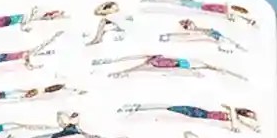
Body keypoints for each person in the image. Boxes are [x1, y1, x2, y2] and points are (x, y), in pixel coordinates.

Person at [118, 104, 260, 133]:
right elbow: (228, 107)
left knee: (169, 109)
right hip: (200, 112)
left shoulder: (235, 118)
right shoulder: (234, 115)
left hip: (199, 115)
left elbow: (238, 125)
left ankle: (138, 109)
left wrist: (254, 127)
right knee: (169, 108)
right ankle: (138, 108)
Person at [99, 55, 247, 81]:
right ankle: (222, 70)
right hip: (183, 64)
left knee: (207, 66)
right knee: (205, 67)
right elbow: (136, 67)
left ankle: (223, 70)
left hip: (184, 63)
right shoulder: (150, 63)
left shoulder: (155, 59)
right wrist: (121, 72)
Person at [142, 0, 256, 26]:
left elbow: (236, 15)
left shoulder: (229, 9)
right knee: (178, 2)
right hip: (200, 6)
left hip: (200, 6)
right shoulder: (229, 9)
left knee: (179, 3)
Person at [0, 7, 66, 37]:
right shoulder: (37, 14)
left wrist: (25, 28)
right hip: (7, 19)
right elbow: (34, 10)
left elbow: (24, 23)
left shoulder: (33, 18)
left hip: (7, 22)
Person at [21, 111, 105, 138]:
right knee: (44, 137)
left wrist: (94, 137)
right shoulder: (72, 125)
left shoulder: (76, 128)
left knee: (44, 137)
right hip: (61, 134)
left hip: (63, 136)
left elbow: (84, 133)